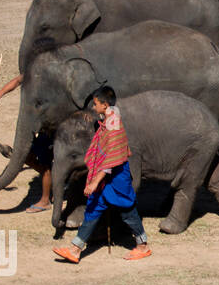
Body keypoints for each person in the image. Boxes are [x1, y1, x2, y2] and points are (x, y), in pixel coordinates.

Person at [53, 88, 152, 263]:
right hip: (105, 177)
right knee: (92, 209)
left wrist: (93, 183)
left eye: (96, 103)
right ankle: (75, 249)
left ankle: (142, 245)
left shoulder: (113, 126)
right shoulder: (109, 116)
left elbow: (110, 162)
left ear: (105, 105)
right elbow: (102, 118)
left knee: (127, 210)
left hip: (116, 177)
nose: (93, 106)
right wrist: (92, 116)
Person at [0, 76, 53, 214]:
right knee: (27, 158)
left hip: (50, 126)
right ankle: (53, 179)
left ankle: (45, 200)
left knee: (46, 163)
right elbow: (18, 80)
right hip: (35, 123)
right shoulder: (36, 68)